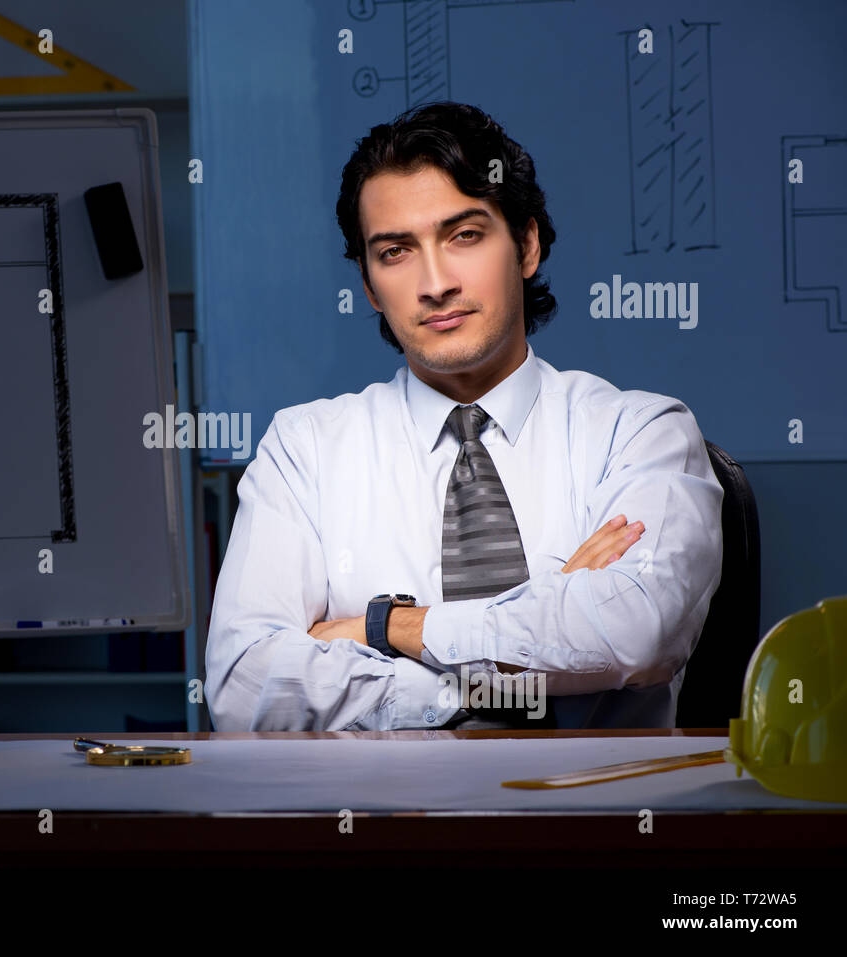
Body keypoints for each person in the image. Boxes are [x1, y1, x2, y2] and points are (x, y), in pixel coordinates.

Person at [204, 101, 724, 731]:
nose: (434, 282)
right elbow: (243, 683)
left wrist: (385, 627)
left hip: (598, 821)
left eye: (464, 236)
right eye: (395, 251)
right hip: (382, 824)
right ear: (369, 285)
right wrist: (494, 677)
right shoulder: (305, 448)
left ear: (527, 245)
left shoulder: (639, 432)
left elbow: (637, 631)